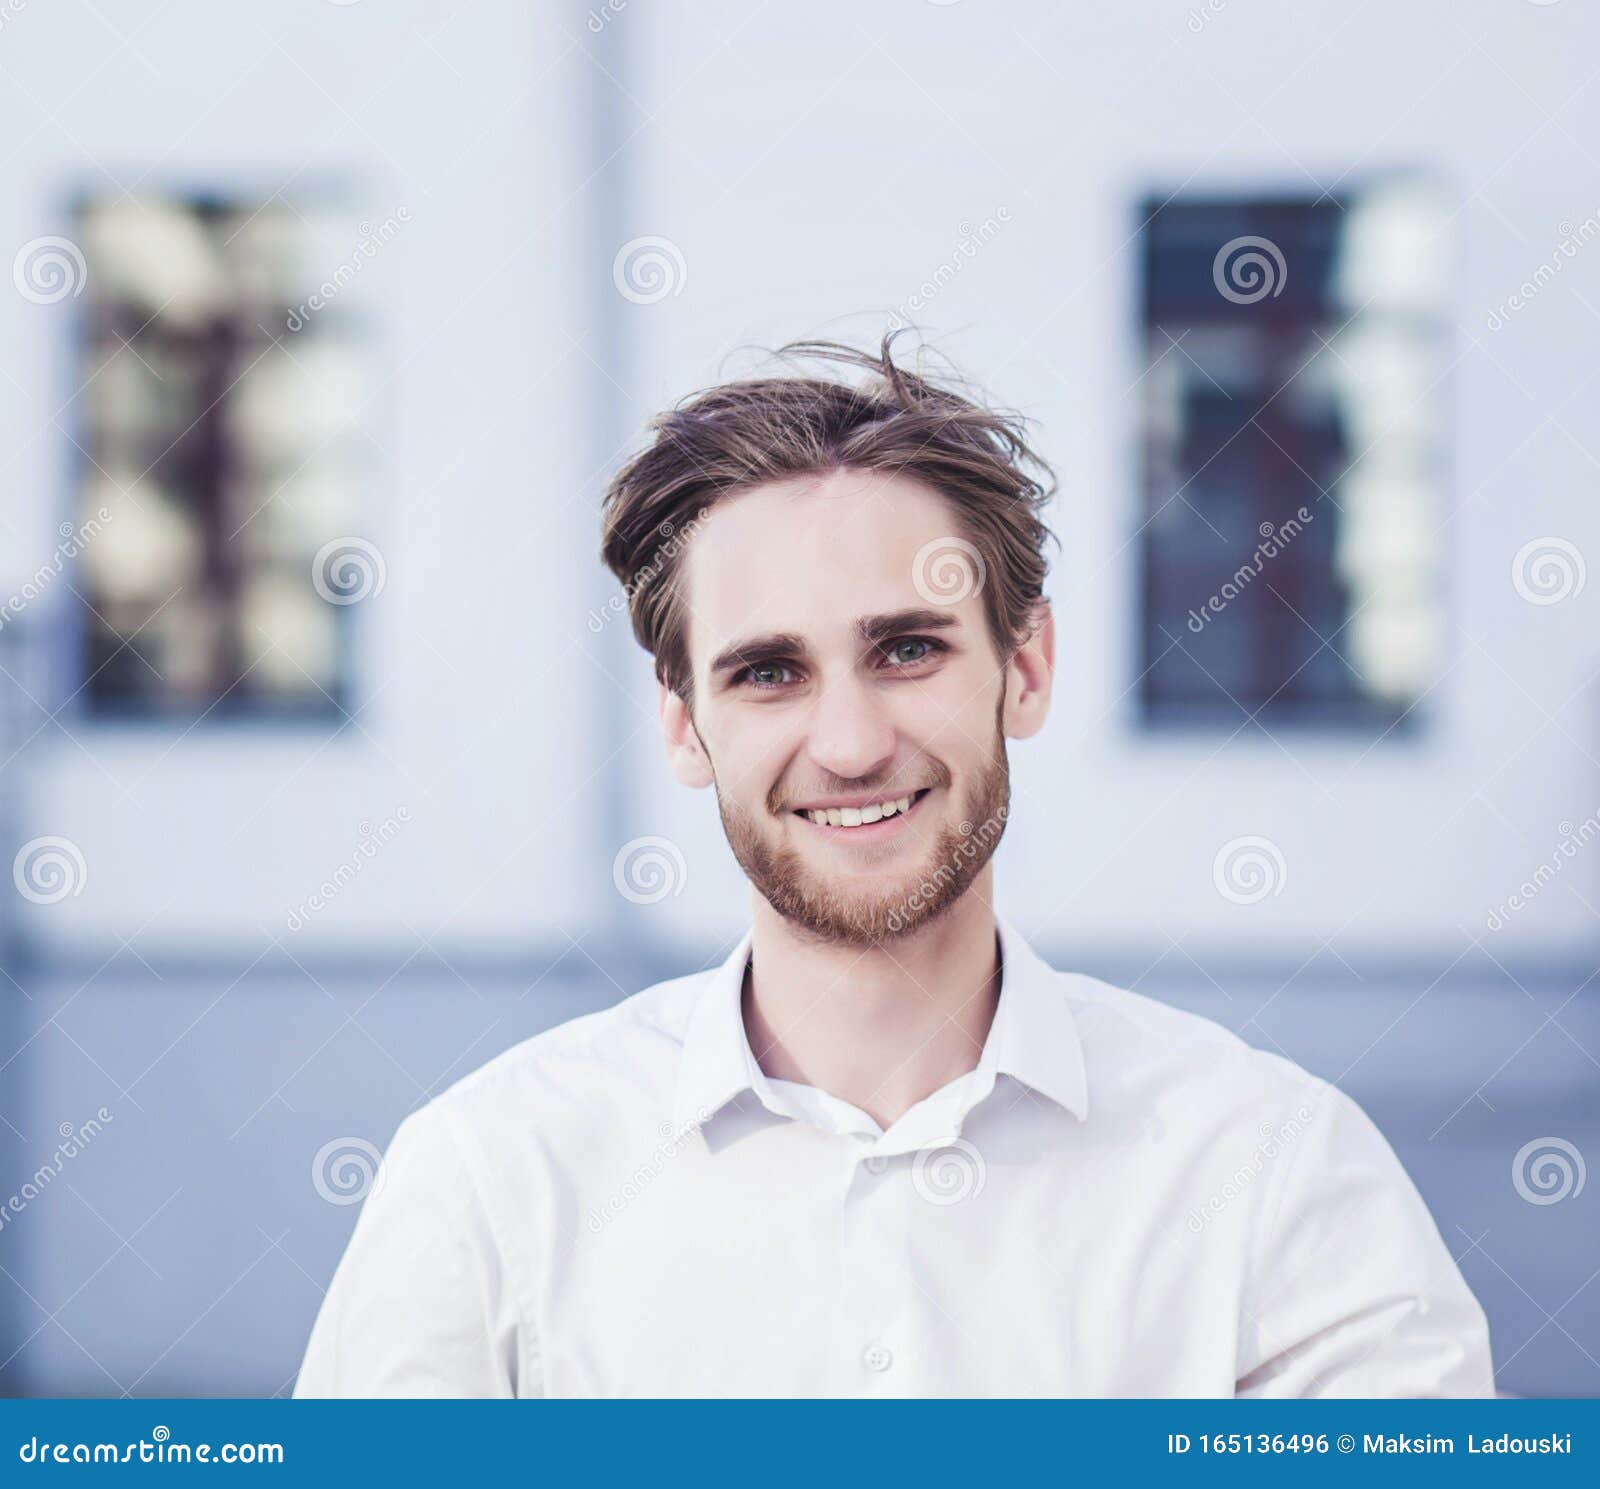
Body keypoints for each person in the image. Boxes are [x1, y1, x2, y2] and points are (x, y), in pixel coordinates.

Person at [293, 333, 1492, 1398]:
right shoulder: (492, 1182)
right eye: (768, 671)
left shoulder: (1273, 1171)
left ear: (1024, 668)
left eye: (908, 649)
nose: (854, 744)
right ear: (680, 722)